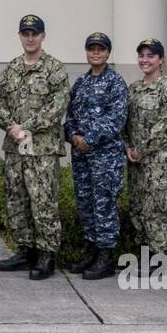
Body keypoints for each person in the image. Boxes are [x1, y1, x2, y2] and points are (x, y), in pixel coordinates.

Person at [0, 14, 71, 279]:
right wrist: (11, 127)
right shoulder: (11, 68)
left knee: (43, 201)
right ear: (19, 36)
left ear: (42, 36)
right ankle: (25, 250)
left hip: (41, 150)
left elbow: (56, 108)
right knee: (16, 200)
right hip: (15, 148)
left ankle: (46, 254)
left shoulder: (55, 69)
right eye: (25, 33)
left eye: (34, 33)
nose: (29, 37)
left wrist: (24, 126)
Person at [64, 32, 129, 281]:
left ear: (107, 53)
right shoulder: (80, 83)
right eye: (92, 48)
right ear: (87, 52)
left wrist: (87, 139)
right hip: (81, 157)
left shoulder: (115, 82)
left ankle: (105, 256)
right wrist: (72, 136)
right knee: (86, 204)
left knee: (104, 205)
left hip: (105, 157)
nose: (96, 53)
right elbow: (69, 115)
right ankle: (91, 250)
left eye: (101, 49)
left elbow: (116, 118)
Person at [124, 37, 167, 260]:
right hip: (136, 162)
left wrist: (143, 148)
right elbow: (125, 123)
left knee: (156, 209)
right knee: (138, 208)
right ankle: (144, 254)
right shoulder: (134, 89)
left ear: (161, 60)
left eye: (151, 56)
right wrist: (128, 147)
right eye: (142, 55)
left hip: (159, 161)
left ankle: (161, 255)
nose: (145, 60)